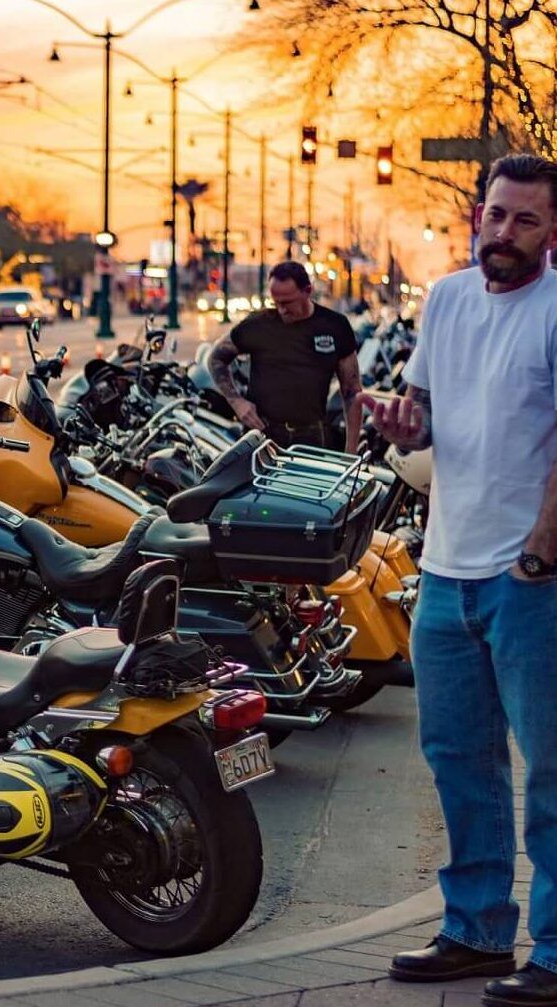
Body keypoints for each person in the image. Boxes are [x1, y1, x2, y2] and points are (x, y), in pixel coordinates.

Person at [364, 153, 557, 1005]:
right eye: (495, 215)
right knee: (458, 760)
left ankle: (553, 951)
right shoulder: (443, 300)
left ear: (554, 232)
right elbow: (425, 412)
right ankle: (476, 929)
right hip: (444, 571)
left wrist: (542, 553)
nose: (503, 232)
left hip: (532, 578)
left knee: (551, 769)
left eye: (524, 220)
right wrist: (406, 421)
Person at [207, 260, 365, 452]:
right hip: (261, 435)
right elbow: (215, 358)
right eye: (276, 302)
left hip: (310, 437)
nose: (281, 310)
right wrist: (237, 402)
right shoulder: (259, 324)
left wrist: (351, 451)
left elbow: (352, 392)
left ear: (308, 291)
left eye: (287, 302)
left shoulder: (335, 326)